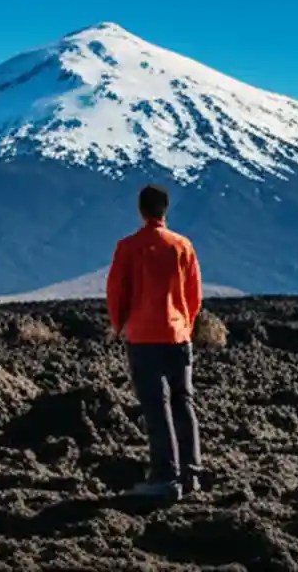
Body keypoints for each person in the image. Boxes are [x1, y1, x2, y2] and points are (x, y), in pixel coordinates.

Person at [106, 183, 203, 501]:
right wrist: (184, 326)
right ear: (166, 209)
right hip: (178, 337)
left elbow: (117, 292)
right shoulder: (183, 245)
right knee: (183, 402)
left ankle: (165, 477)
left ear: (141, 210)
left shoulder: (128, 247)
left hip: (144, 339)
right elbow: (194, 295)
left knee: (157, 408)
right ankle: (191, 473)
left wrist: (119, 325)